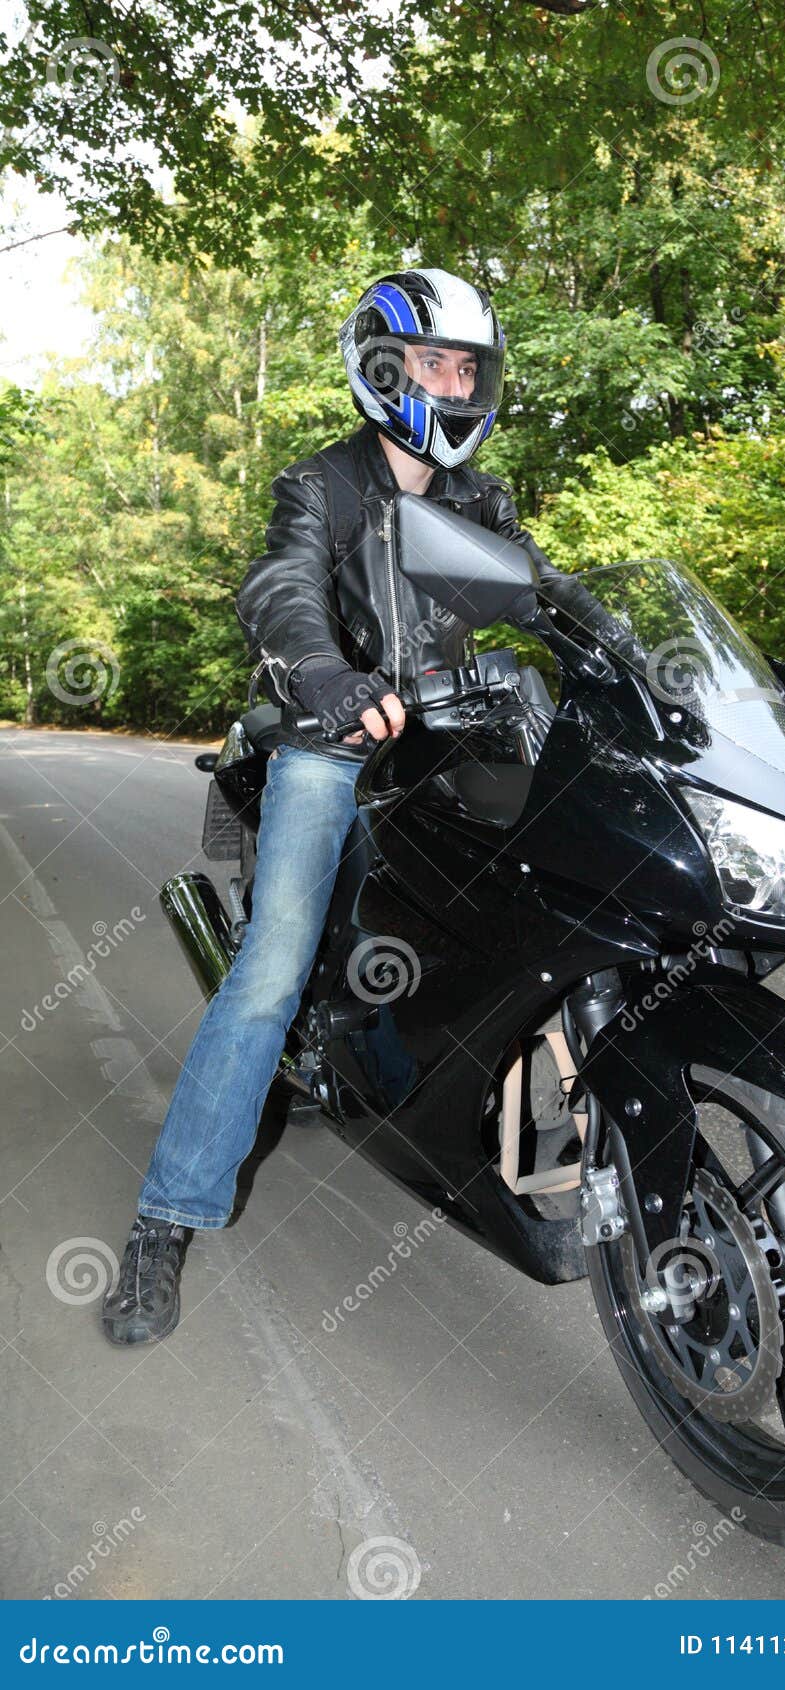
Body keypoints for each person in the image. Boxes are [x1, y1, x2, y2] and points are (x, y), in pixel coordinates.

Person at [100, 266, 627, 1345]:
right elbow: (280, 585)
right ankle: (164, 1219)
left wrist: (637, 655)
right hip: (332, 742)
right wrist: (325, 672)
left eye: (467, 366)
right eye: (435, 362)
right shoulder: (322, 484)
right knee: (275, 966)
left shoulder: (479, 499)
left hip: (454, 737)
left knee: (565, 887)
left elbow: (541, 586)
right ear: (383, 368)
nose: (455, 381)